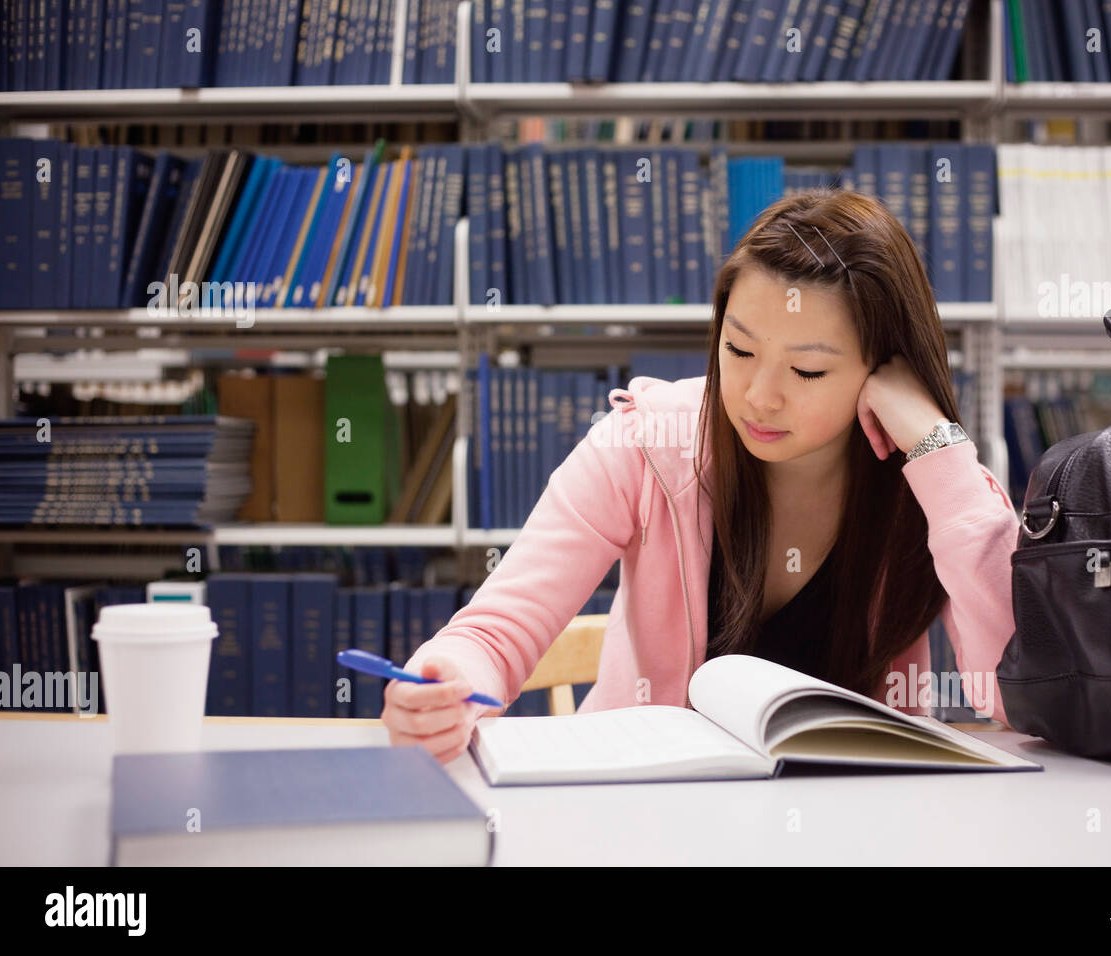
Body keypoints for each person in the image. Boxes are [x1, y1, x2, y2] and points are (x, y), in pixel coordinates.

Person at [383, 189, 1020, 764]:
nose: (758, 397)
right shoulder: (644, 445)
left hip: (851, 831)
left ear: (887, 371)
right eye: (738, 350)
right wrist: (446, 683)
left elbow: (1018, 692)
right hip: (649, 822)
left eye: (807, 372)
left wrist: (939, 453)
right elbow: (496, 630)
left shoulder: (931, 482)